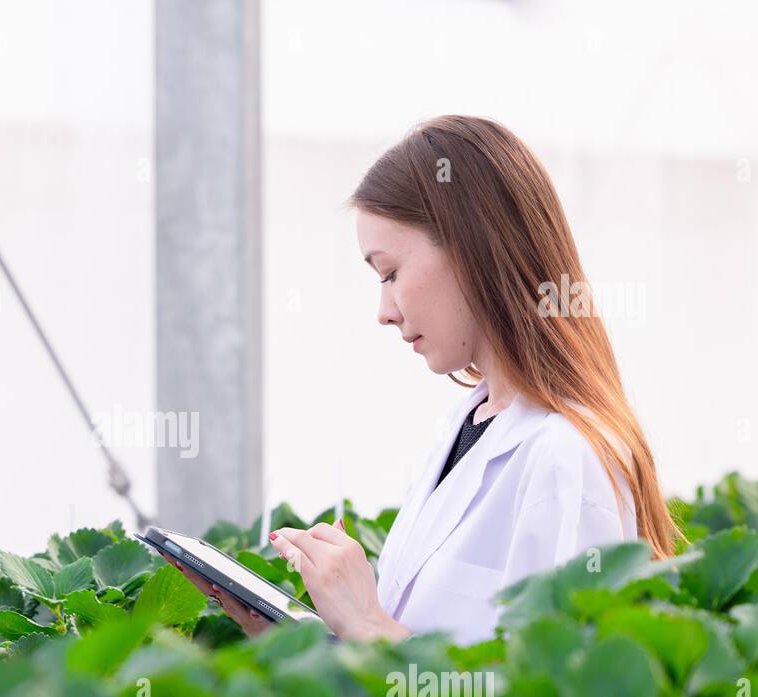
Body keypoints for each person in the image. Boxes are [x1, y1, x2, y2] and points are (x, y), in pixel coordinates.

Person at [165, 115, 684, 645]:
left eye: (390, 273)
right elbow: (418, 651)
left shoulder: (565, 457)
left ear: (471, 247)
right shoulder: (467, 426)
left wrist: (366, 621)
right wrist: (313, 637)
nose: (384, 312)